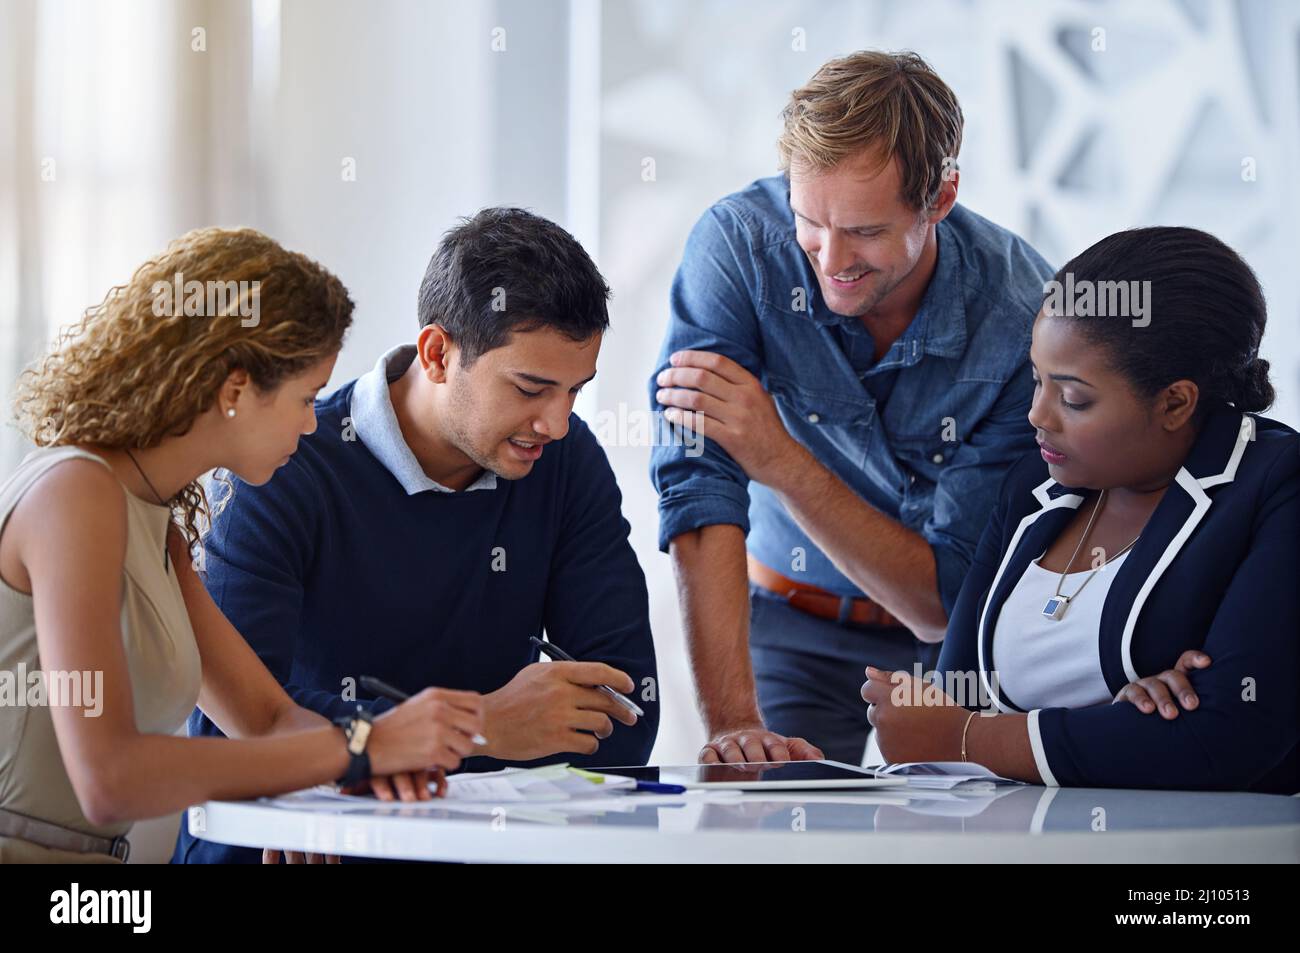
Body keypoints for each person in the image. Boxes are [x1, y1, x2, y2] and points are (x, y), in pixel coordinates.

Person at [175, 208, 659, 863]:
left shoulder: (566, 466)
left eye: (575, 390)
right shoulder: (284, 462)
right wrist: (485, 726)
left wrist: (352, 762)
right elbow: (240, 720)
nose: (558, 422)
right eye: (531, 387)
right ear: (437, 353)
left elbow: (624, 713)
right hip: (295, 847)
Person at [0, 227, 484, 863]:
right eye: (305, 398)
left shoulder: (155, 524)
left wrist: (362, 765)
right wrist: (361, 745)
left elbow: (267, 718)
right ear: (235, 391)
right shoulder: (76, 494)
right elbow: (109, 779)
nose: (314, 423)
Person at [650, 50, 1052, 765]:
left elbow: (938, 603)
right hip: (785, 617)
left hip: (949, 649)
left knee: (951, 841)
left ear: (941, 199)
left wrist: (780, 458)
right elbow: (696, 484)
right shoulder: (738, 246)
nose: (830, 258)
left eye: (865, 231)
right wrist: (733, 726)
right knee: (772, 829)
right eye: (809, 220)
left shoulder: (1022, 318)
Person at [861, 226, 1298, 793]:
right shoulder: (1033, 485)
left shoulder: (1273, 485)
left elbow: (1232, 734)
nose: (1038, 415)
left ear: (1175, 402)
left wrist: (970, 741)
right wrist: (1111, 727)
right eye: (1037, 381)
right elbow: (957, 694)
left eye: (1073, 398)